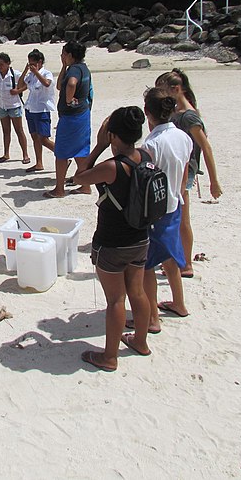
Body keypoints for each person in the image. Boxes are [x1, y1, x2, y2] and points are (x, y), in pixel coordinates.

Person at [73, 108, 152, 371]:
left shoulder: (111, 167)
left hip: (113, 242)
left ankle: (109, 357)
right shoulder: (146, 156)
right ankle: (140, 342)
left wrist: (99, 147)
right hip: (141, 237)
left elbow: (80, 176)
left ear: (113, 136)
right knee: (138, 292)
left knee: (116, 300)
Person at [156, 69, 223, 278]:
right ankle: (176, 258)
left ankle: (185, 264)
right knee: (174, 215)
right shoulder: (177, 112)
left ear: (176, 89)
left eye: (163, 91)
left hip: (185, 171)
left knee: (182, 218)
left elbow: (206, 147)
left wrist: (214, 181)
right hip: (176, 168)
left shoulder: (188, 116)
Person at [139, 87, 193, 331]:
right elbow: (184, 171)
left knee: (147, 265)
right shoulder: (183, 137)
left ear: (147, 112)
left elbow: (145, 182)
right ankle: (179, 303)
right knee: (170, 256)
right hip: (175, 203)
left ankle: (152, 318)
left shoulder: (151, 144)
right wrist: (179, 193)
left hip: (155, 211)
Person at [46, 41, 93, 198]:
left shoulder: (74, 70)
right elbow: (60, 86)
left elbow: (71, 84)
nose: (62, 56)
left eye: (64, 53)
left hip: (71, 117)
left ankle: (59, 189)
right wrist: (63, 66)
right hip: (83, 115)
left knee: (61, 153)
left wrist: (68, 100)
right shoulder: (83, 68)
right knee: (81, 151)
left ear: (70, 55)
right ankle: (86, 185)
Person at [15, 49, 56, 172]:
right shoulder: (31, 76)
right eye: (30, 63)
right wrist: (25, 71)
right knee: (35, 137)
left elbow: (47, 83)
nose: (31, 66)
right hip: (31, 109)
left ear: (40, 62)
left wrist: (36, 72)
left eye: (33, 63)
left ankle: (64, 156)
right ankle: (39, 163)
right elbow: (20, 85)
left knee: (44, 139)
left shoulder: (46, 73)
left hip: (42, 110)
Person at [0, 52, 30, 164]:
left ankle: (25, 154)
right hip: (2, 106)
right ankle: (6, 153)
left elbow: (27, 84)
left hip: (14, 106)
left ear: (8, 63)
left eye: (2, 64)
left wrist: (18, 91)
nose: (0, 66)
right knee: (6, 131)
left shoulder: (15, 74)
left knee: (19, 130)